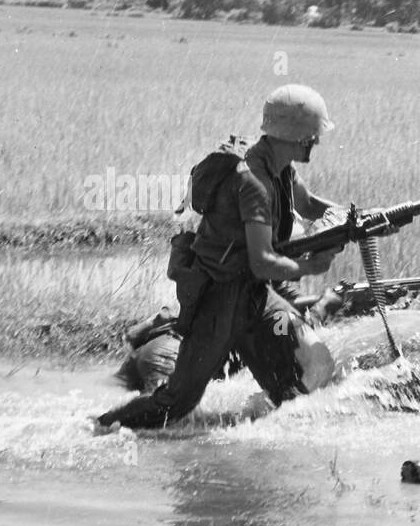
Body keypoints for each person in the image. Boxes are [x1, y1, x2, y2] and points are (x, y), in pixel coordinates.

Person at [96, 84, 346, 429]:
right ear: (296, 135)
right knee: (177, 402)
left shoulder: (280, 167)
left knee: (301, 378)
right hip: (220, 299)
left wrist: (358, 218)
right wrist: (310, 266)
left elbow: (307, 204)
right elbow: (262, 261)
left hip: (256, 297)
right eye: (312, 136)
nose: (315, 143)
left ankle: (267, 456)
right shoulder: (253, 183)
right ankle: (102, 427)